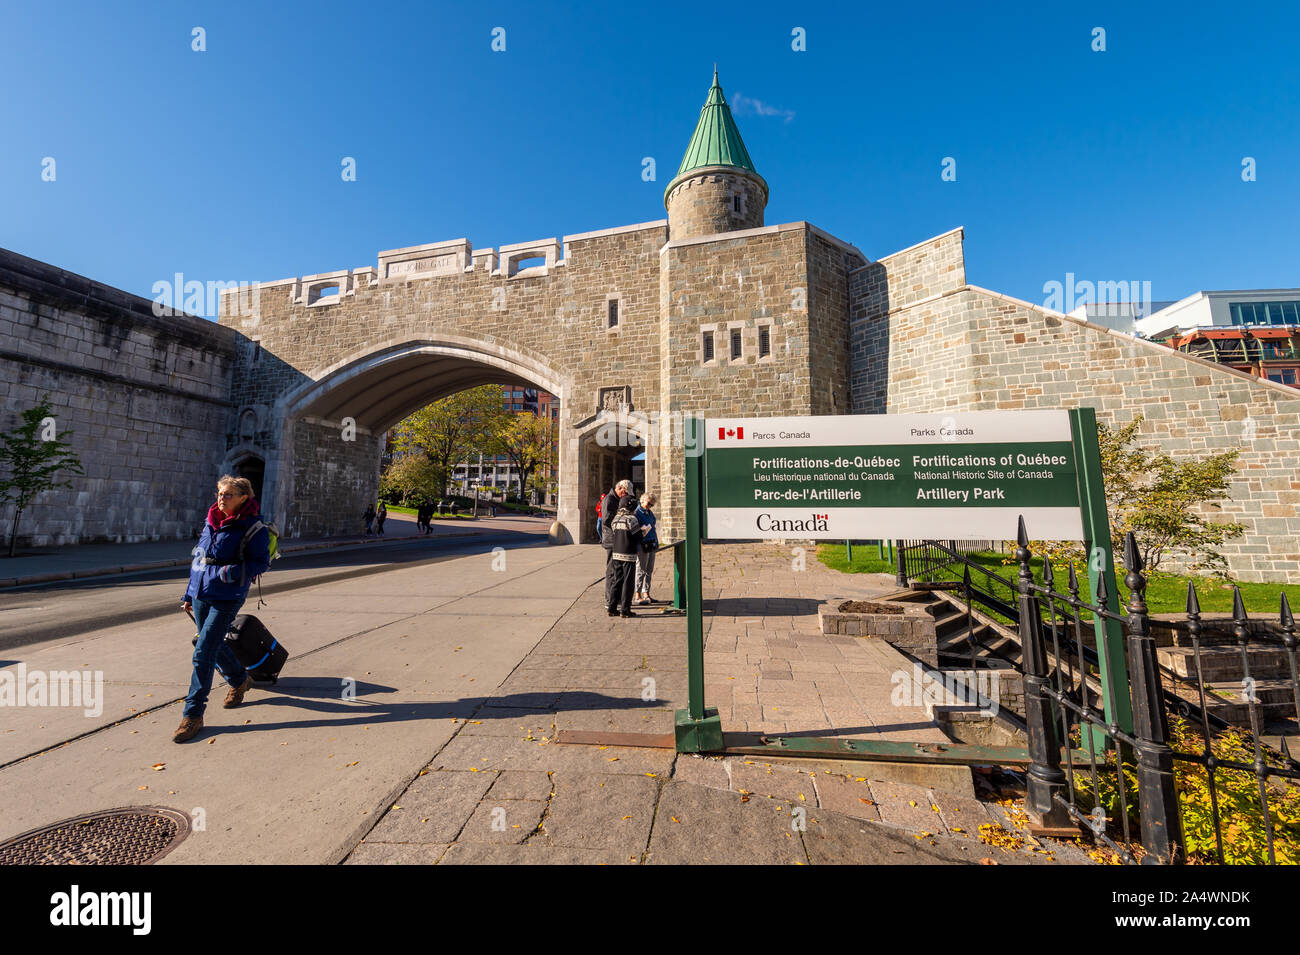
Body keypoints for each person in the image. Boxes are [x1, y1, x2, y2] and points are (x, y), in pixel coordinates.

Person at [174, 475, 272, 743]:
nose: (221, 498)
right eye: (219, 492)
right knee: (212, 646)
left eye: (228, 494)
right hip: (201, 594)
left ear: (243, 498)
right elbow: (199, 559)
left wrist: (230, 573)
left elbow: (261, 562)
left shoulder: (253, 528)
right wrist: (188, 593)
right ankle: (240, 680)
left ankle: (193, 715)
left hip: (227, 596)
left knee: (203, 652)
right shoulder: (211, 522)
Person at [605, 495, 645, 617]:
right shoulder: (631, 519)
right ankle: (625, 609)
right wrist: (643, 531)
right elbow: (638, 536)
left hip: (616, 553)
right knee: (628, 582)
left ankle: (612, 607)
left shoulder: (616, 518)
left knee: (617, 581)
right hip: (628, 554)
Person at [634, 492, 658, 605]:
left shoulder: (649, 513)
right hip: (642, 544)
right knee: (641, 570)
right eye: (649, 504)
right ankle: (637, 594)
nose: (650, 506)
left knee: (649, 570)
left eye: (652, 505)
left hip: (651, 543)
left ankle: (646, 593)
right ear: (642, 501)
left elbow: (653, 526)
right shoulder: (637, 513)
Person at [600, 480, 631, 568]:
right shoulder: (609, 499)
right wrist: (620, 522)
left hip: (615, 538)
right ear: (619, 488)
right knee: (612, 568)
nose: (625, 495)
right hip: (611, 539)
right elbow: (606, 519)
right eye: (625, 492)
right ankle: (611, 582)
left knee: (617, 568)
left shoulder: (616, 499)